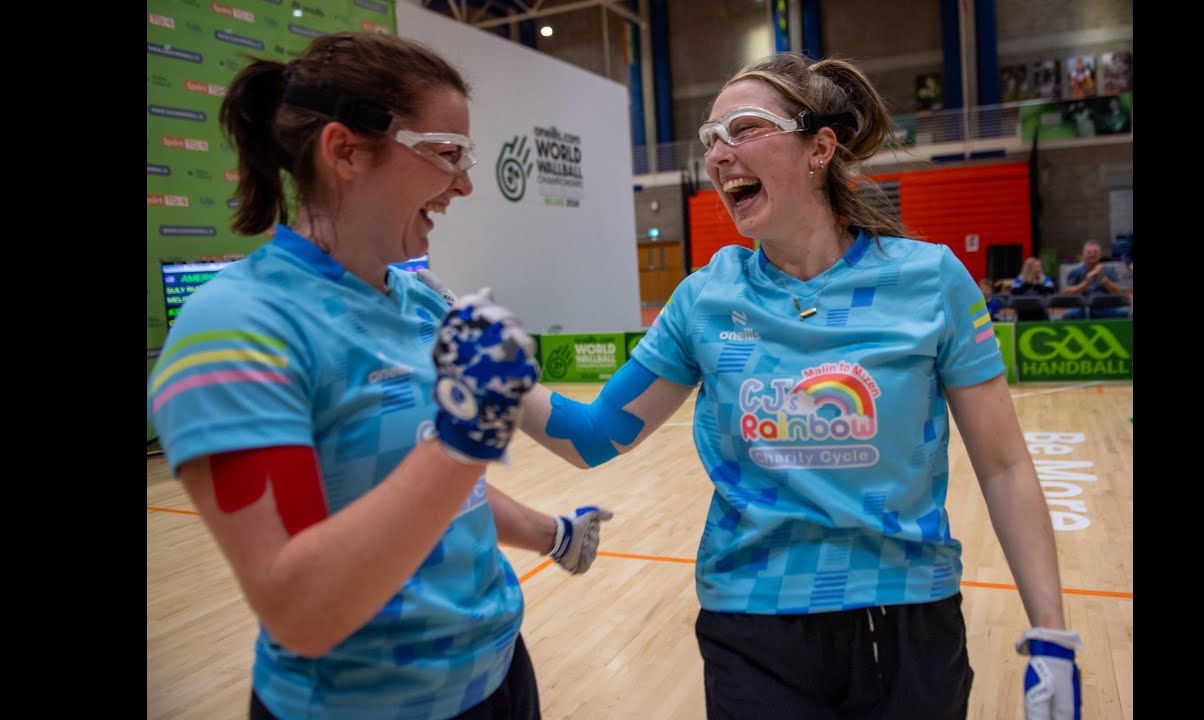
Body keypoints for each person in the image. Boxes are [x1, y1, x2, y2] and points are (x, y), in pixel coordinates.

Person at [515, 52, 1082, 719]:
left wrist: (1052, 635)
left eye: (743, 128)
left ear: (820, 147)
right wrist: (491, 370)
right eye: (710, 140)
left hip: (909, 618)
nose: (718, 154)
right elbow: (594, 435)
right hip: (753, 625)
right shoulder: (705, 300)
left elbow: (1006, 464)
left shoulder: (931, 280)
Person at [146, 32, 613, 720]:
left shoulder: (423, 299)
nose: (465, 184)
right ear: (344, 151)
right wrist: (464, 437)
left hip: (500, 673)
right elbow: (302, 611)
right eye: (446, 155)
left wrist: (550, 533)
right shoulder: (236, 328)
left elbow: (447, 494)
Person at [1063, 239, 1128, 319]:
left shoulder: (1110, 269)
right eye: (1089, 252)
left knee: (1124, 311)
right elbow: (1068, 293)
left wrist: (1103, 278)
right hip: (1082, 307)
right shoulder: (1075, 271)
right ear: (1083, 255)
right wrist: (1086, 283)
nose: (1092, 255)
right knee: (1069, 314)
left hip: (1106, 306)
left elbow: (1118, 292)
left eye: (1095, 252)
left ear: (1100, 255)